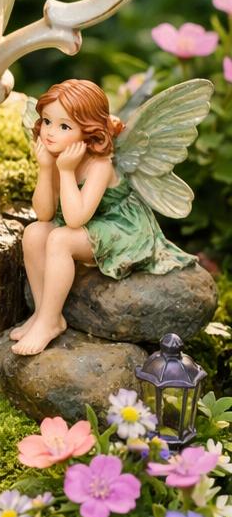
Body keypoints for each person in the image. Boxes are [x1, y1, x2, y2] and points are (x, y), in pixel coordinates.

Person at [11, 79, 193, 357]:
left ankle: (49, 322)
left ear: (89, 130)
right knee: (35, 232)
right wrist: (47, 169)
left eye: (64, 126)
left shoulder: (100, 163)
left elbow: (74, 219)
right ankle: (43, 314)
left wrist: (68, 172)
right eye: (47, 121)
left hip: (119, 225)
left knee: (60, 239)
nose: (49, 132)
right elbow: (45, 213)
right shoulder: (58, 153)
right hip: (86, 223)